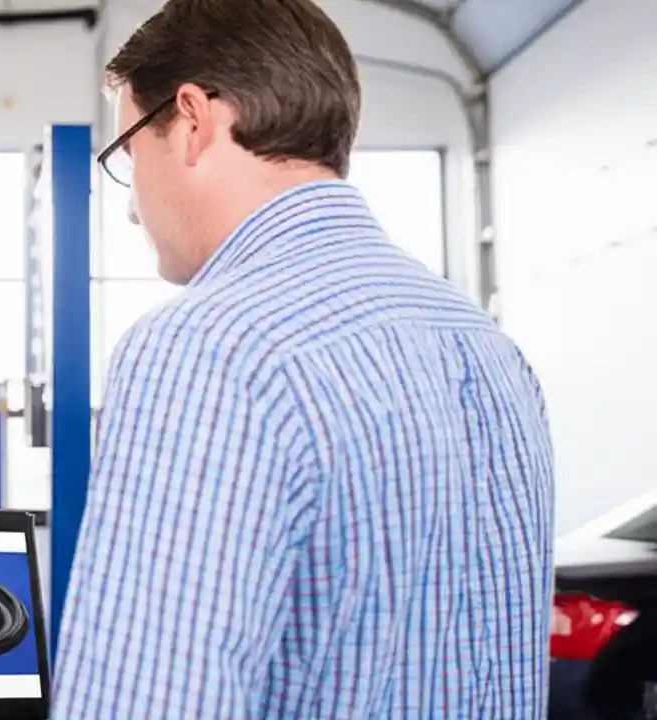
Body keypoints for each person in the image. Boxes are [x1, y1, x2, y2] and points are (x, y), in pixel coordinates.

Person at [53, 1, 555, 718]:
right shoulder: (485, 346)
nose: (132, 207)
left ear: (192, 121)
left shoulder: (209, 348)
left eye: (129, 155)